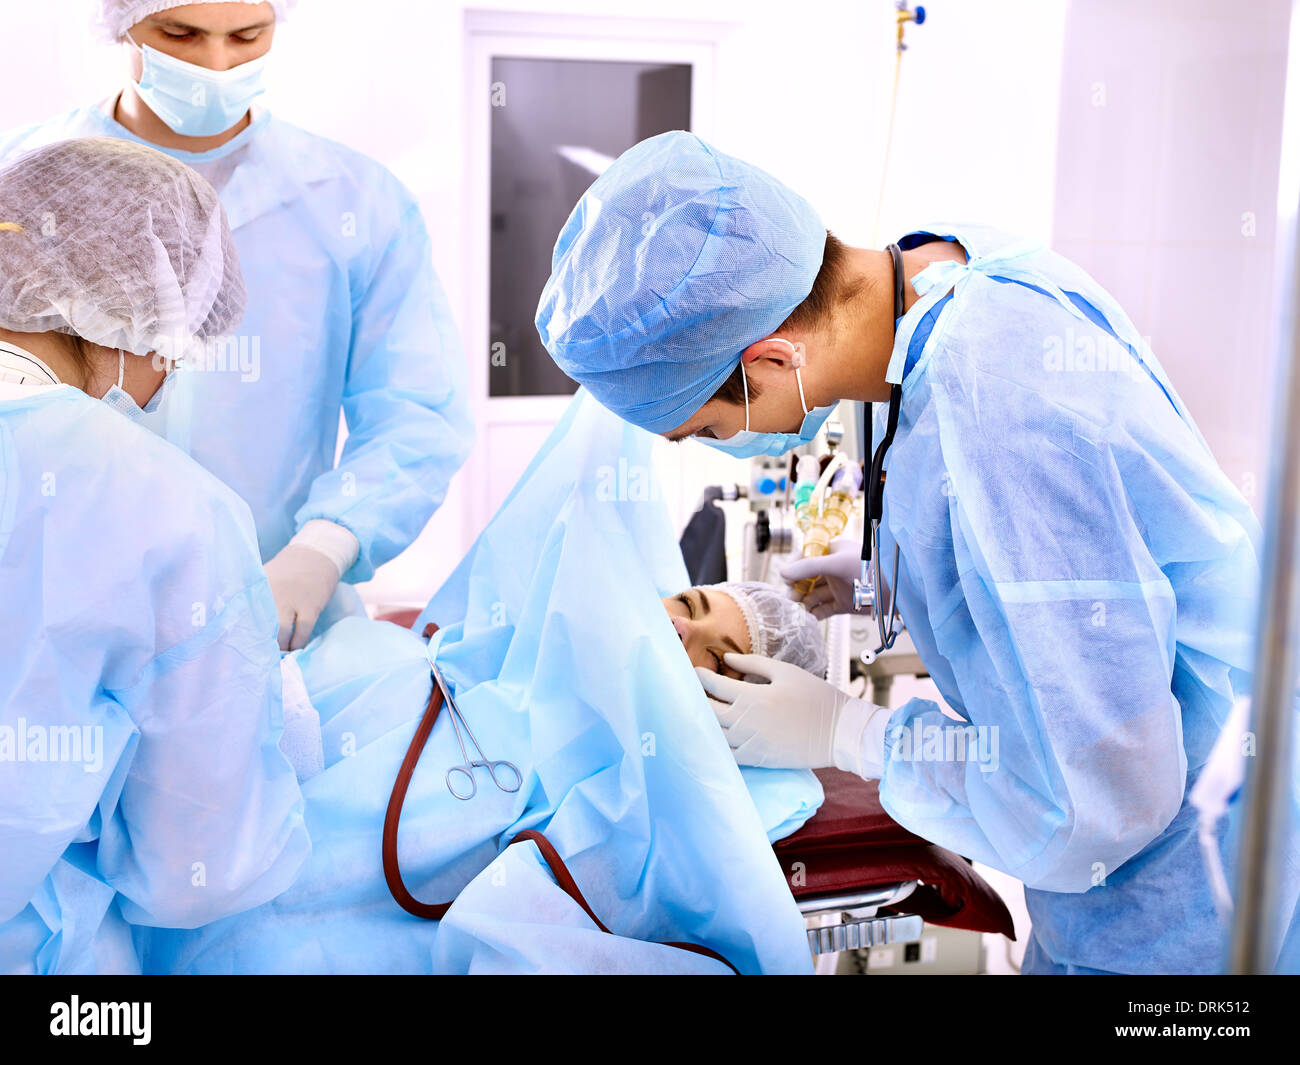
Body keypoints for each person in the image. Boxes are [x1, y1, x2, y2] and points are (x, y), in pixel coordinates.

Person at [534, 130, 1296, 974]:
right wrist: (883, 584)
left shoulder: (1003, 409)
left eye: (710, 428)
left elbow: (1097, 801)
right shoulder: (937, 275)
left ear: (772, 358)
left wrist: (850, 731)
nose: (723, 447)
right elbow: (1066, 563)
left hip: (1194, 897)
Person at [0, 1, 474, 650]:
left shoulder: (354, 202)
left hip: (274, 615)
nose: (216, 63)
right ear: (119, 23)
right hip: (50, 608)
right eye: (180, 33)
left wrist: (326, 545)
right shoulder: (21, 181)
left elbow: (416, 410)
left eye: (247, 35)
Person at [0, 137, 310, 975]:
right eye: (173, 348)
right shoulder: (159, 503)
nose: (165, 382)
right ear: (124, 311)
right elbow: (197, 872)